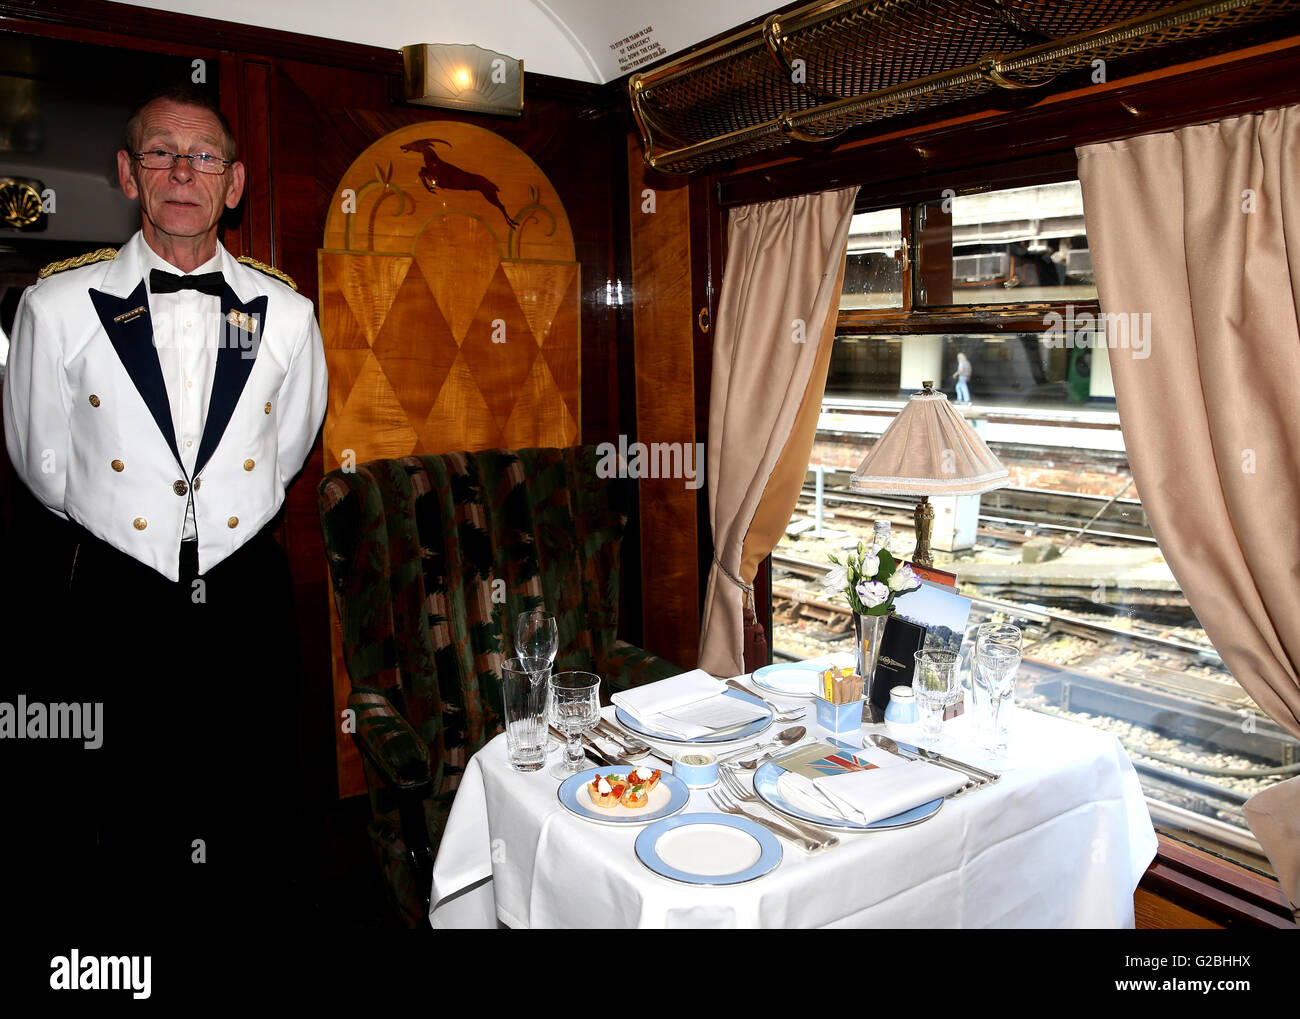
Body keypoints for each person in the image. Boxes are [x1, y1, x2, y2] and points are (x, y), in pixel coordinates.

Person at [2, 83, 327, 925]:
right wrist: (124, 518)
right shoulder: (54, 304)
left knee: (253, 783)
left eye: (204, 156)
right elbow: (40, 460)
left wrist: (219, 518)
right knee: (120, 791)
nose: (183, 171)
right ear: (126, 173)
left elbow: (283, 452)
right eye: (160, 152)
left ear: (236, 182)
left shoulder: (287, 314)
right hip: (118, 591)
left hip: (245, 587)